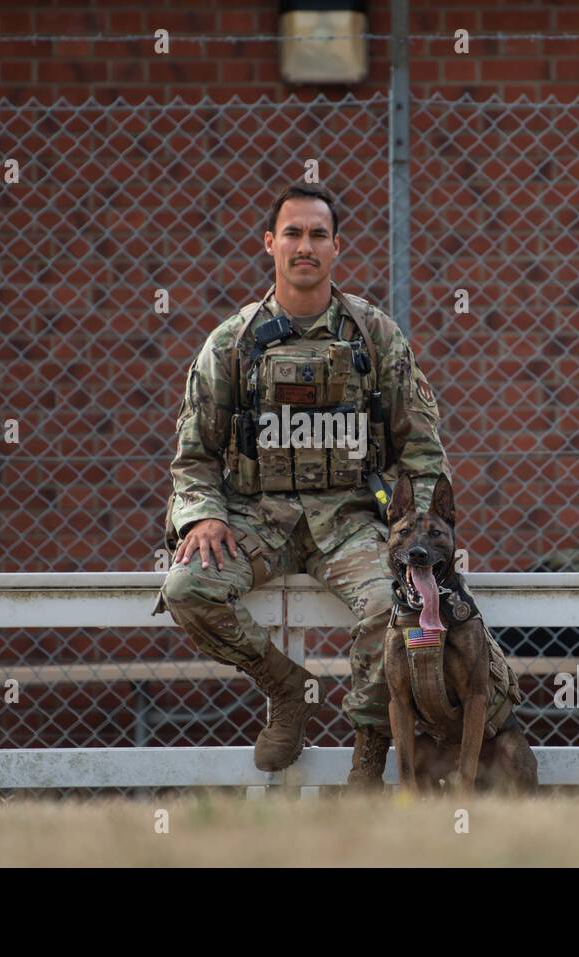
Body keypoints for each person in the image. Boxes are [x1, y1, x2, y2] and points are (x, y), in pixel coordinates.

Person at [154, 182, 451, 788]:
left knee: (390, 606)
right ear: (270, 243)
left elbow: (421, 449)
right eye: (292, 233)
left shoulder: (375, 336)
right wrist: (203, 517)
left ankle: (369, 747)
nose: (305, 245)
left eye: (318, 234)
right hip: (255, 521)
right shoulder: (231, 344)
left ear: (337, 246)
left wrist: (416, 534)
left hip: (349, 522)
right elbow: (194, 455)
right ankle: (287, 690)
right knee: (187, 588)